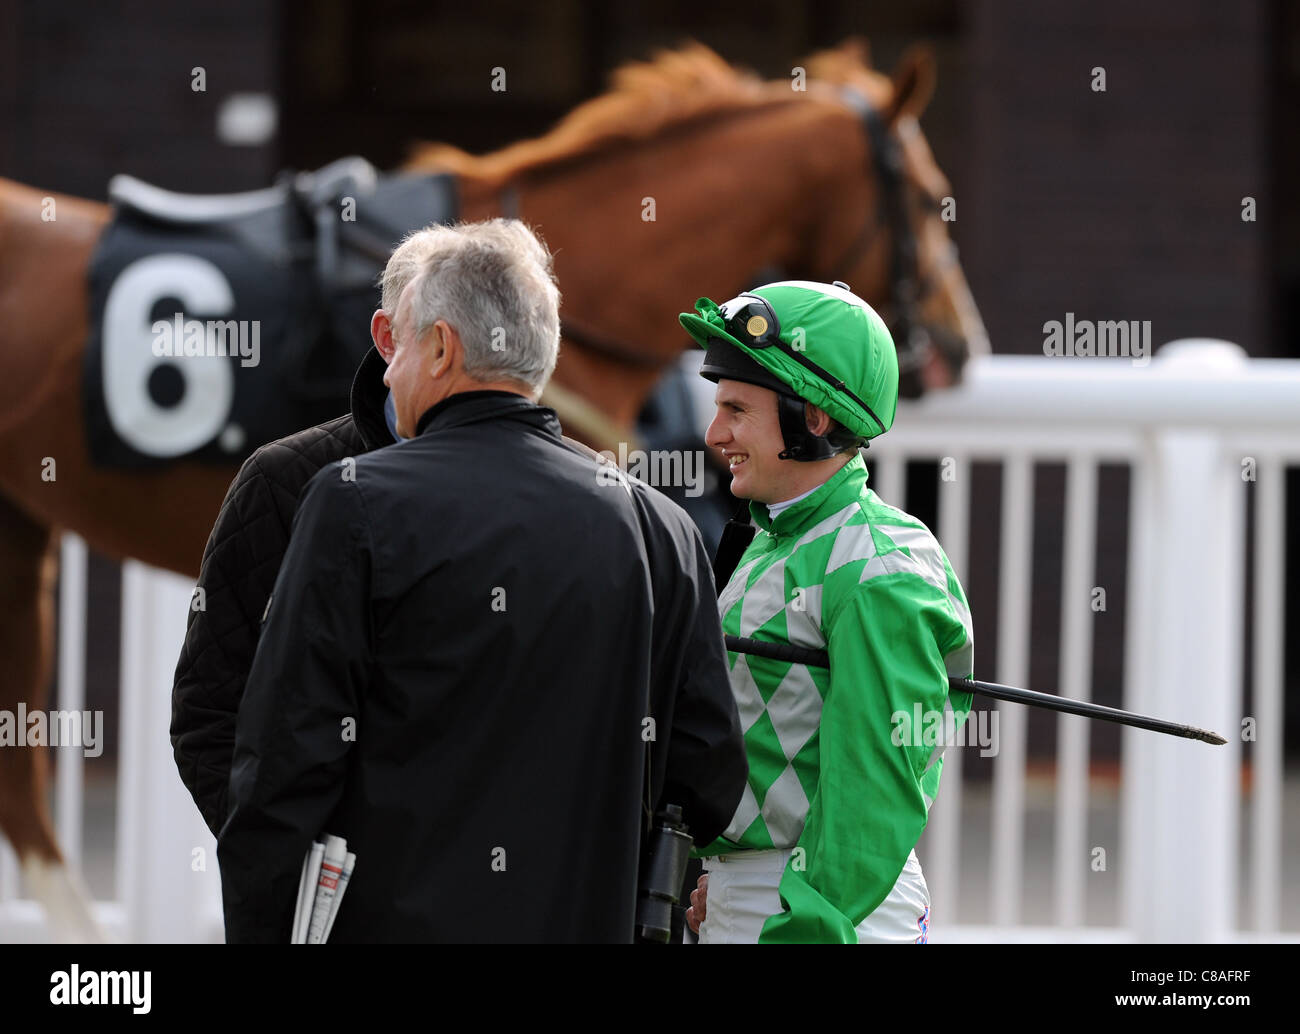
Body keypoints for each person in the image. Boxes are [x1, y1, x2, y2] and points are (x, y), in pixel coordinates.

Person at [216, 219, 747, 943]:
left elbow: (284, 766)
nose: (388, 371)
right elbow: (707, 774)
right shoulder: (661, 527)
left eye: (398, 345)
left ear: (440, 348)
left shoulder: (352, 500)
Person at [678, 280, 974, 943]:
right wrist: (721, 876)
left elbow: (871, 796)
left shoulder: (880, 568)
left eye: (736, 409)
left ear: (812, 418)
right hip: (762, 898)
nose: (714, 432)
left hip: (826, 914)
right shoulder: (770, 540)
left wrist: (797, 922)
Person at [170, 227, 438, 838]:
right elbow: (209, 711)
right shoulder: (282, 481)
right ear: (387, 338)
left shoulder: (574, 491)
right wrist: (279, 870)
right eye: (441, 338)